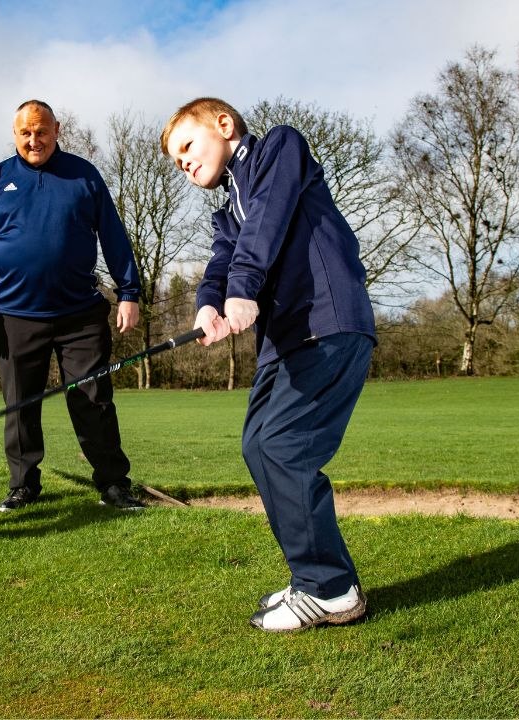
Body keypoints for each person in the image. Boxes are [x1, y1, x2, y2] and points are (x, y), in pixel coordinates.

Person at [161, 98, 378, 632]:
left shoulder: (279, 148)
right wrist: (209, 304)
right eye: (177, 162)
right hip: (285, 343)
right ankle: (315, 579)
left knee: (282, 447)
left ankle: (329, 589)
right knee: (259, 445)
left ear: (225, 125)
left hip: (327, 323)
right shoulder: (227, 211)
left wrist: (242, 287)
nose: (184, 164)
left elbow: (266, 224)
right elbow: (222, 260)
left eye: (188, 147)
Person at [0, 99, 146, 512]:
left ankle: (114, 484)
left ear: (57, 129)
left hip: (80, 315)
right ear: (14, 134)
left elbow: (113, 236)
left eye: (41, 131)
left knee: (93, 400)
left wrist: (128, 292)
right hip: (15, 316)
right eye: (25, 133)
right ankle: (23, 484)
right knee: (20, 404)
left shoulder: (84, 175)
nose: (33, 140)